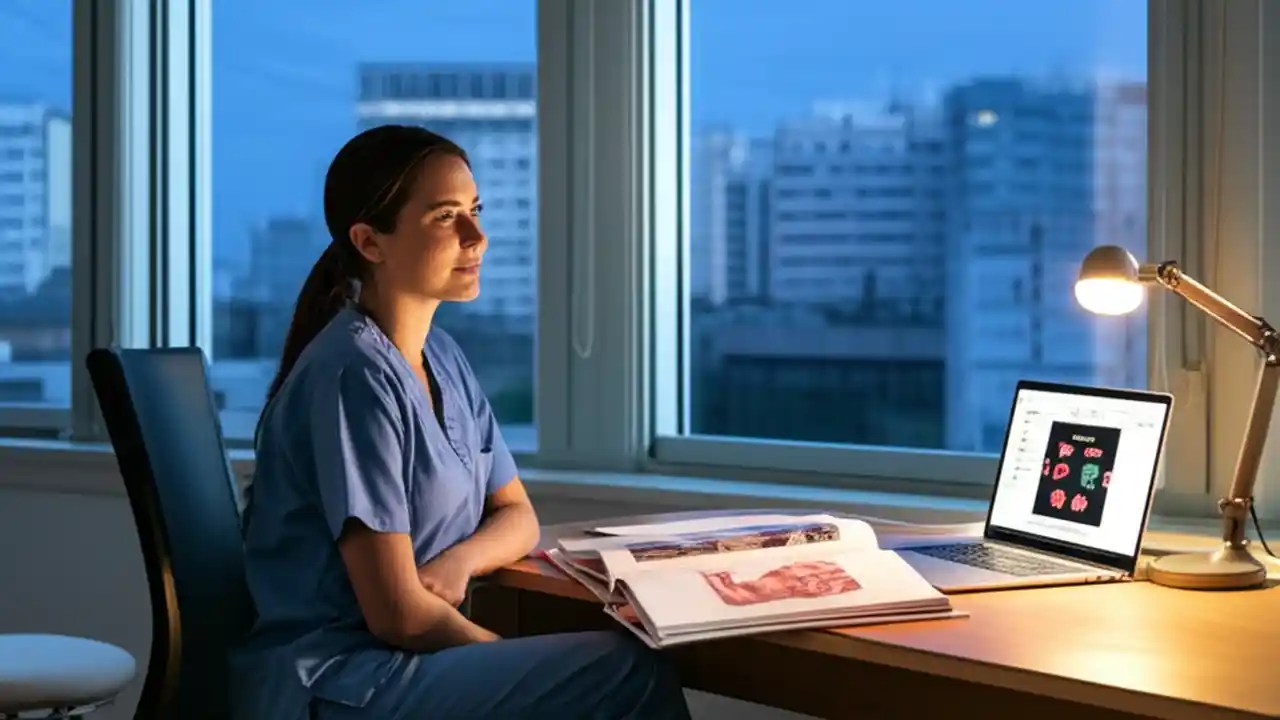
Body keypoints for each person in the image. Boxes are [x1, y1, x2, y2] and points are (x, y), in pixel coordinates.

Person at [231, 124, 691, 720]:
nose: (477, 237)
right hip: (338, 680)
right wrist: (507, 659)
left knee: (607, 665)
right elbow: (399, 614)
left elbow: (518, 516)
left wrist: (458, 563)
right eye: (446, 217)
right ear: (370, 242)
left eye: (475, 211)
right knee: (624, 669)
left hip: (404, 664)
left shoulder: (442, 357)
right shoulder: (354, 376)